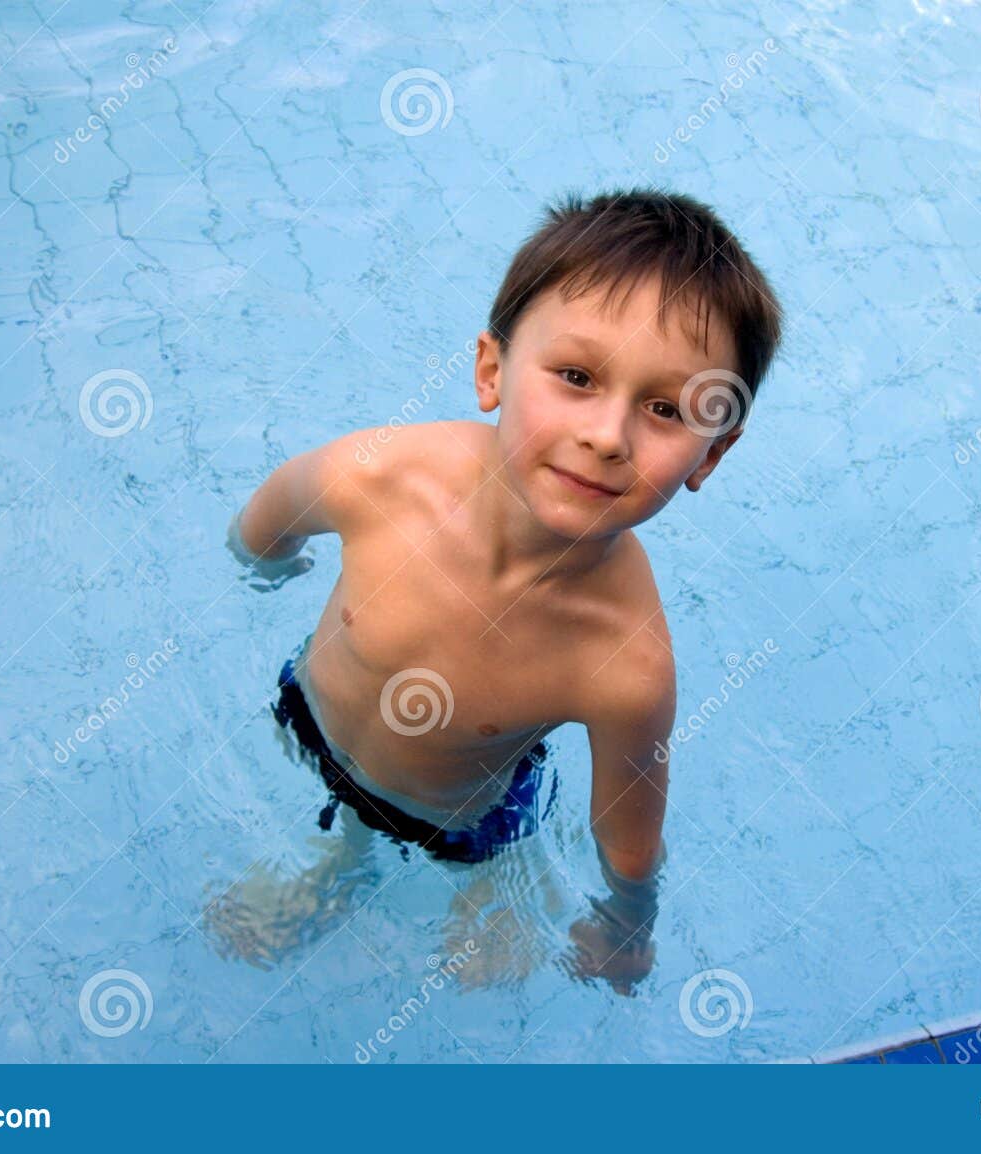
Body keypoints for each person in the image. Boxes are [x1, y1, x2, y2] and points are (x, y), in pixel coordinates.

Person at [227, 187, 781, 992]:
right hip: (311, 725)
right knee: (301, 876)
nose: (606, 436)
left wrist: (626, 926)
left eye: (666, 409)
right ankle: (340, 860)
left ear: (709, 457)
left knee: (484, 985)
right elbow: (270, 517)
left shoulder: (622, 662)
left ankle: (488, 887)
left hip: (467, 822)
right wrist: (265, 567)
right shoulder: (377, 478)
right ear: (492, 369)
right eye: (577, 376)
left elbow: (626, 838)